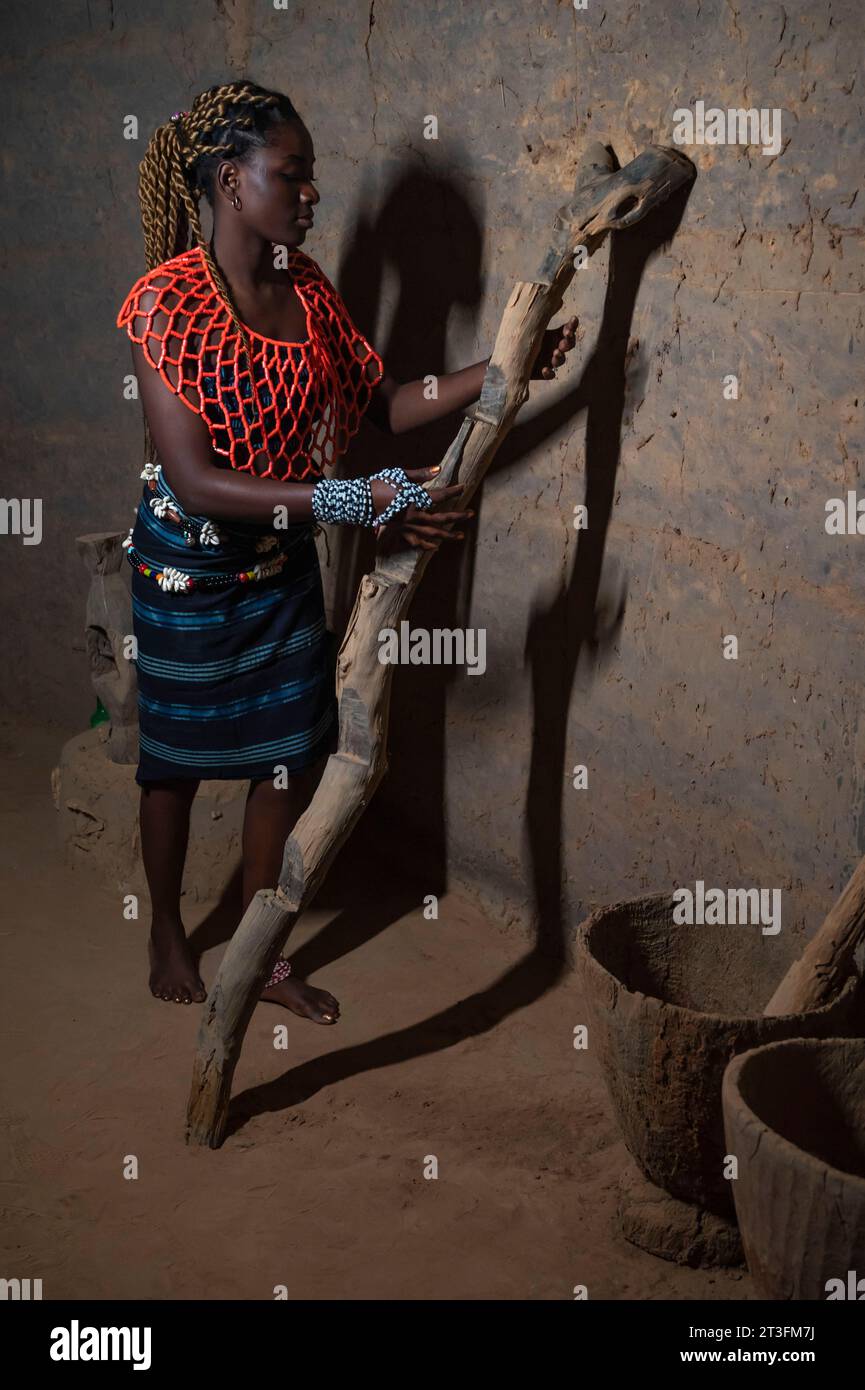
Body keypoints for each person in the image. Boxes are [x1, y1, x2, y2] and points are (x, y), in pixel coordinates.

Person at [116, 79, 577, 1018]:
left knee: (284, 756)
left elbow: (391, 404)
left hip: (283, 560)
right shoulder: (166, 304)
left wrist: (504, 370)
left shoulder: (309, 289)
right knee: (174, 764)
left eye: (313, 175)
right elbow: (199, 481)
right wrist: (353, 501)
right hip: (188, 572)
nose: (311, 195)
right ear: (228, 181)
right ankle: (166, 926)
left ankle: (259, 946)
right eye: (292, 175)